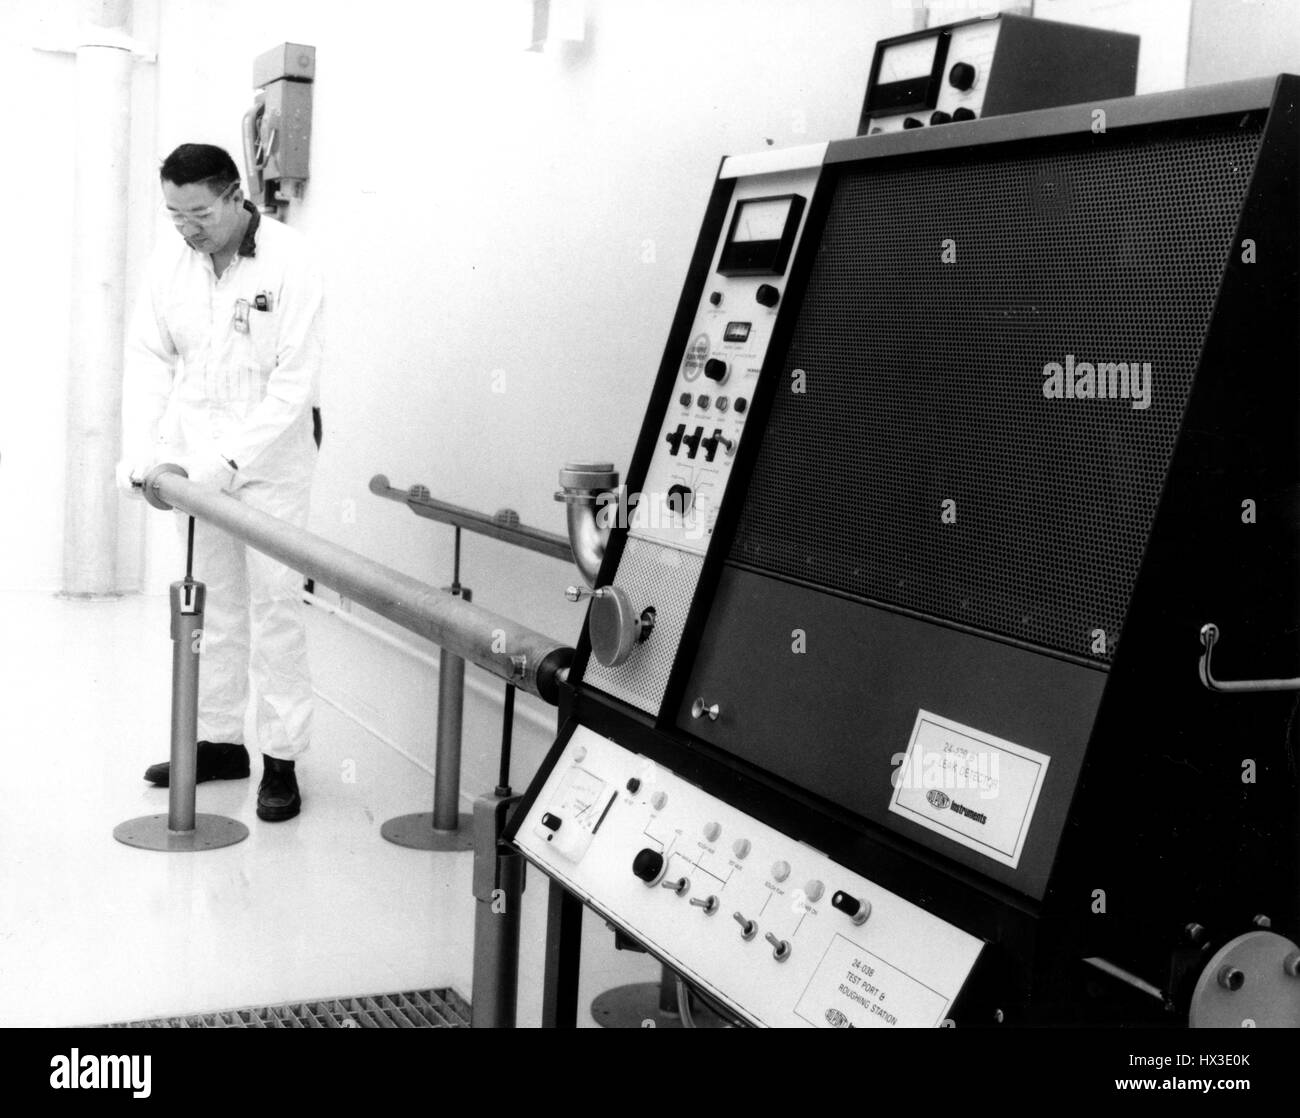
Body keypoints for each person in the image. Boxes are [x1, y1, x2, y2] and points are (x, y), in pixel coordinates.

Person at [116, 143, 324, 822]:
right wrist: (144, 454)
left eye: (199, 213)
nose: (186, 227)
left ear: (237, 196)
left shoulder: (292, 262)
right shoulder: (169, 264)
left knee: (276, 608)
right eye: (175, 213)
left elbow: (291, 389)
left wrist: (223, 467)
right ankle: (219, 743)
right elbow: (150, 359)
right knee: (211, 609)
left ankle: (283, 760)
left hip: (270, 468)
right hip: (194, 466)